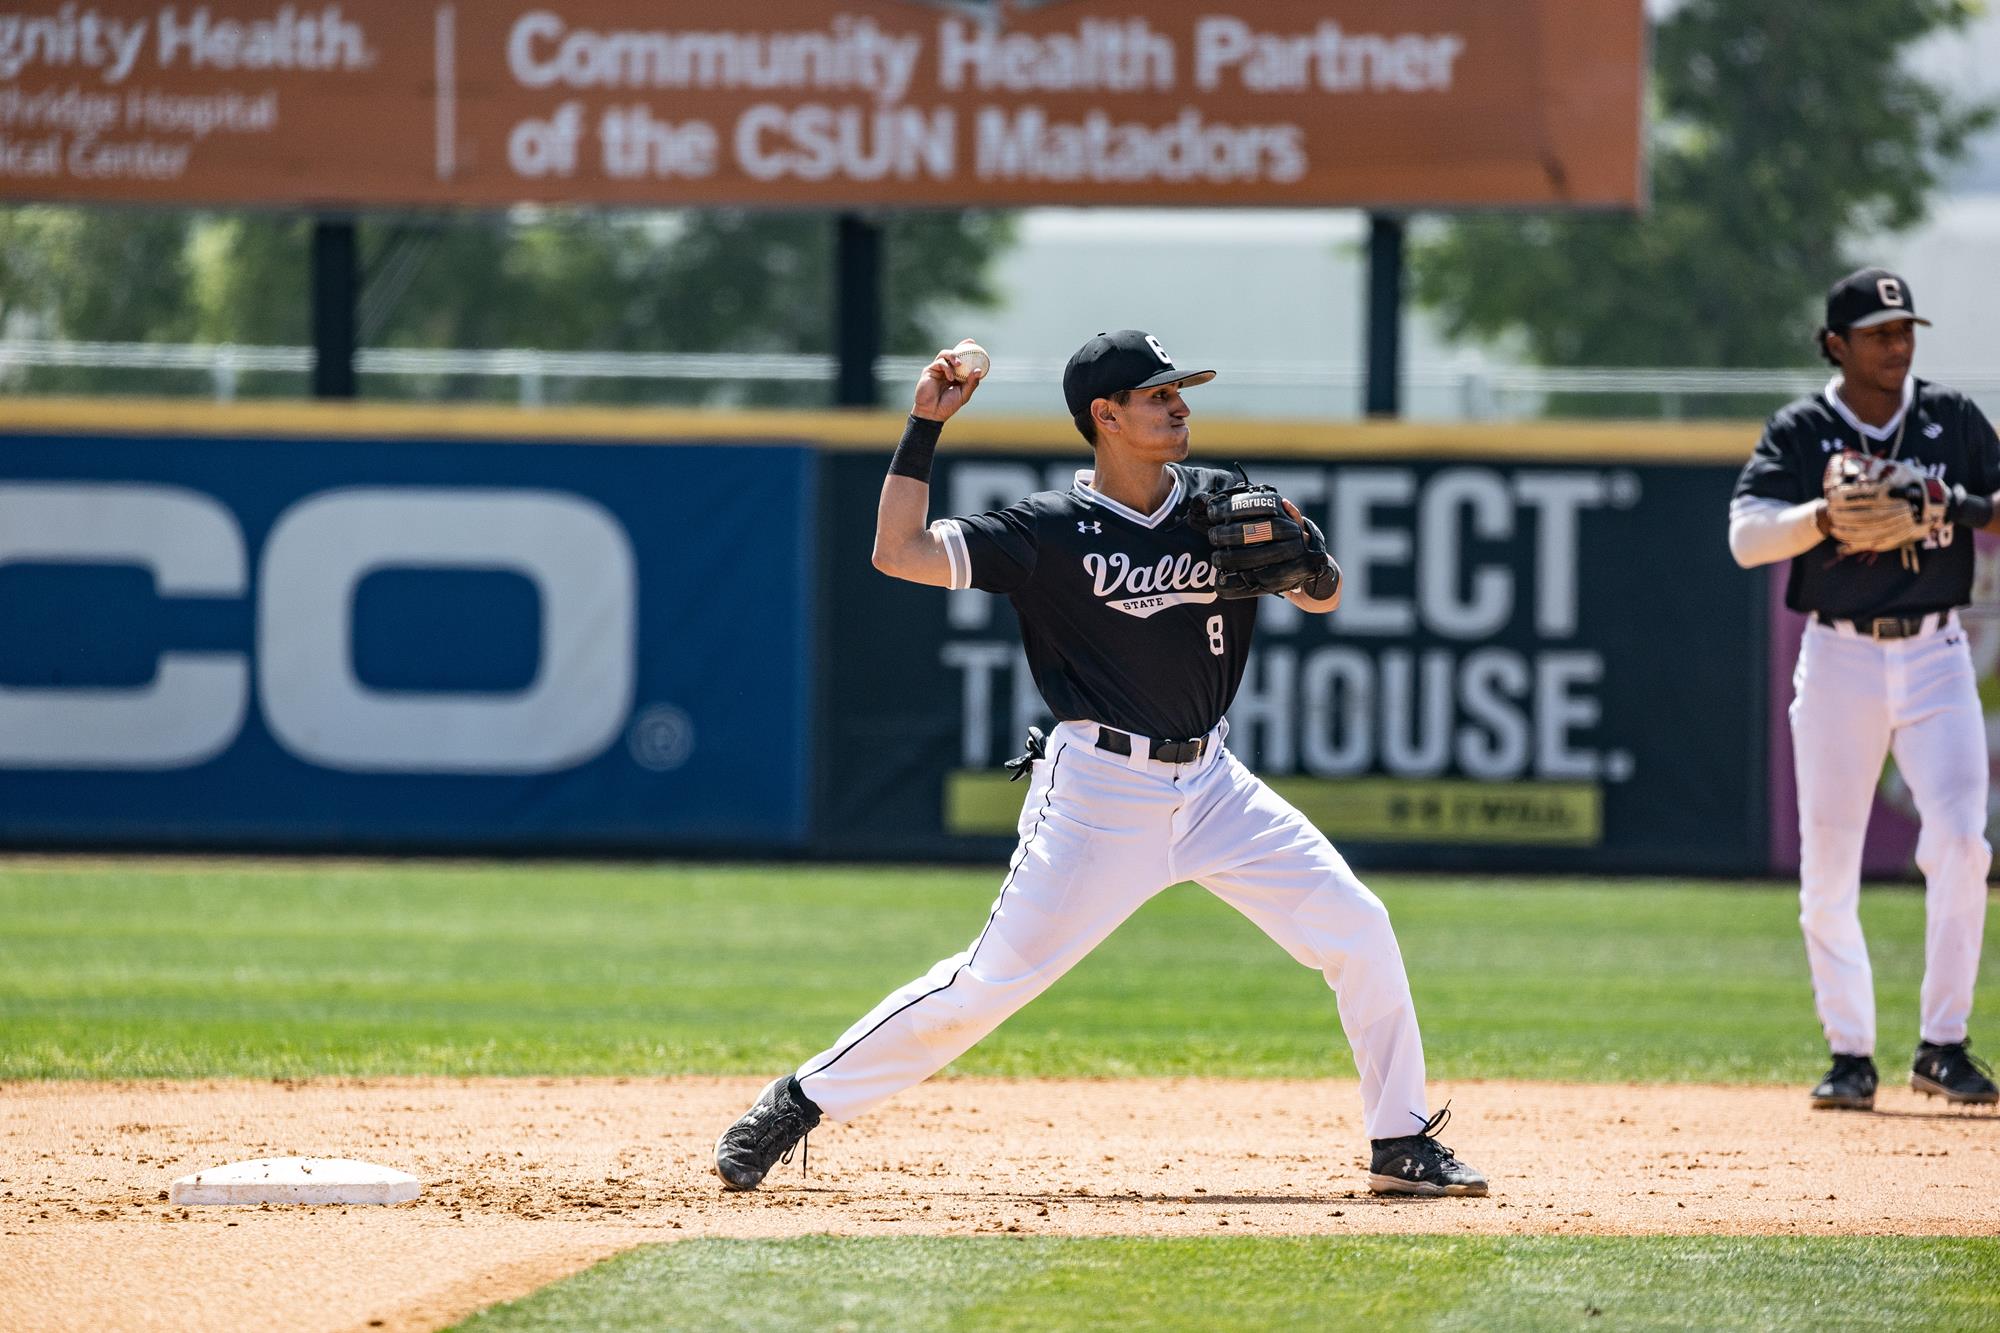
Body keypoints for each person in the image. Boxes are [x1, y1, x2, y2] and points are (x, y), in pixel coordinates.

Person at [713, 329, 1487, 1197]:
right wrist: (925, 426)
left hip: (1215, 785)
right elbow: (899, 551)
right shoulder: (1045, 530)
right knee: (984, 985)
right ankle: (796, 1100)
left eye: (1180, 391)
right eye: (1159, 395)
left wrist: (1311, 560)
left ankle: (1400, 1140)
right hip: (1099, 794)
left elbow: (1323, 595)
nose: (1180, 406)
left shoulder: (1219, 501)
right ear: (1105, 415)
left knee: (1358, 925)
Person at [1728, 268, 2000, 1110]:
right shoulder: (1803, 429)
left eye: (1905, 329)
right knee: (1828, 864)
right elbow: (1746, 539)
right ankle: (1850, 1053)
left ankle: (1942, 1043)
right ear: (1835, 345)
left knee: (1962, 844)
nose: (1897, 344)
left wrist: (1951, 501)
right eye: (1879, 333)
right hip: (1839, 656)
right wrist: (1823, 516)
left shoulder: (1950, 417)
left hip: (1938, 650)